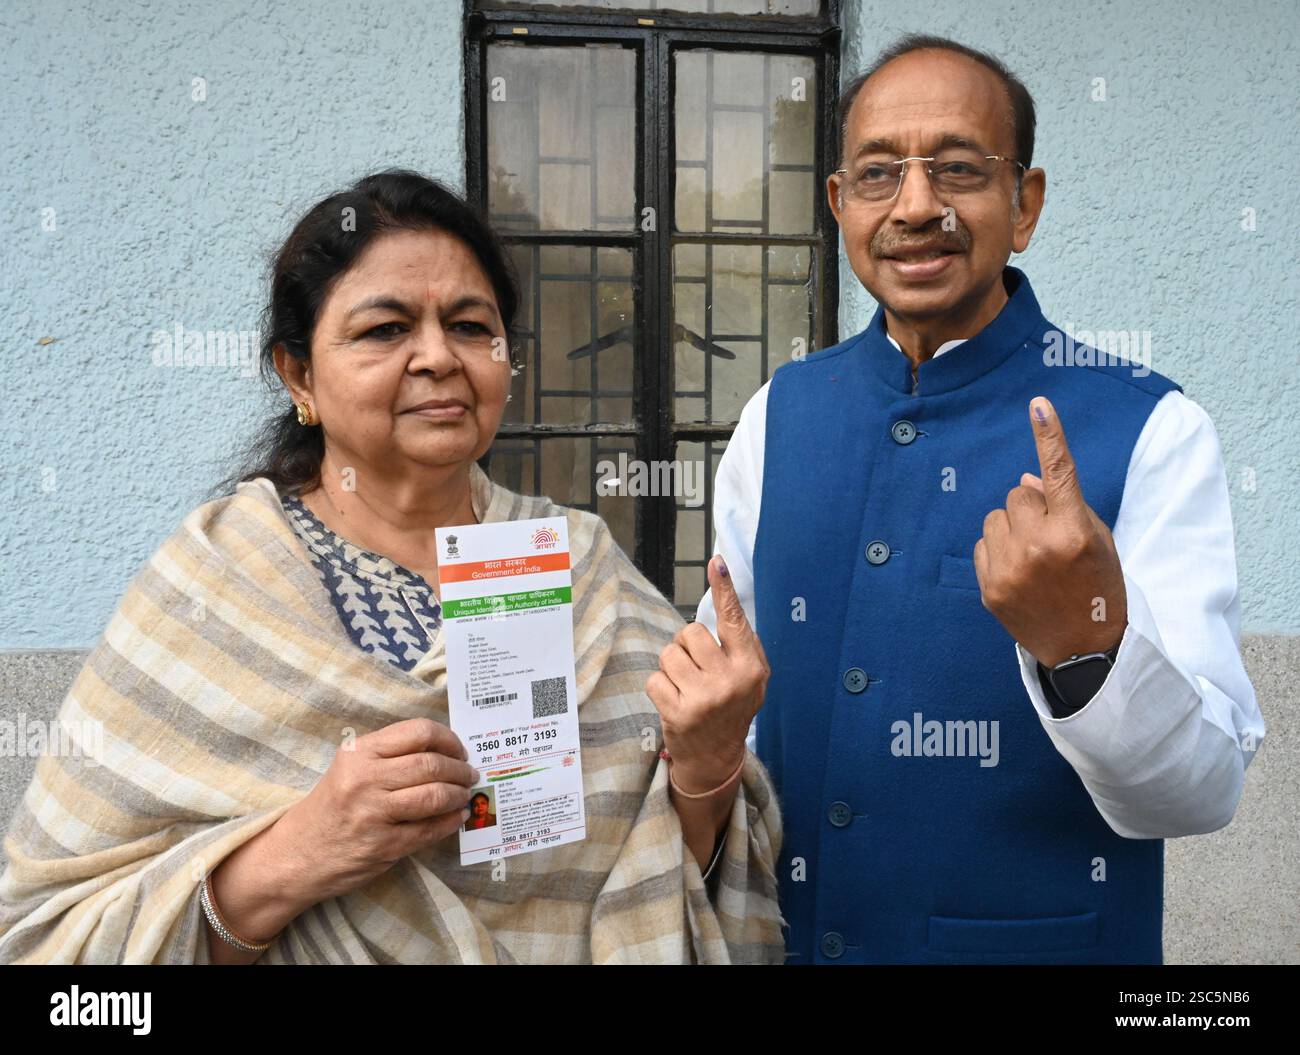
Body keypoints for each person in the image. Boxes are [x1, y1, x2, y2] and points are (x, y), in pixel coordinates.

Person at [0, 170, 782, 965]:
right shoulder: (216, 588)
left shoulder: (578, 568)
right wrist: (292, 856)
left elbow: (671, 882)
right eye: (385, 329)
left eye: (472, 326)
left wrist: (708, 766)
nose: (439, 357)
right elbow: (54, 949)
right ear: (299, 375)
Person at [685, 36, 1265, 964]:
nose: (916, 206)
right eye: (879, 174)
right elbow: (741, 717)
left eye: (958, 168)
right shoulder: (776, 414)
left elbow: (1200, 794)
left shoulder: (1152, 428)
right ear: (840, 205)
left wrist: (1086, 646)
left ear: (1024, 202)